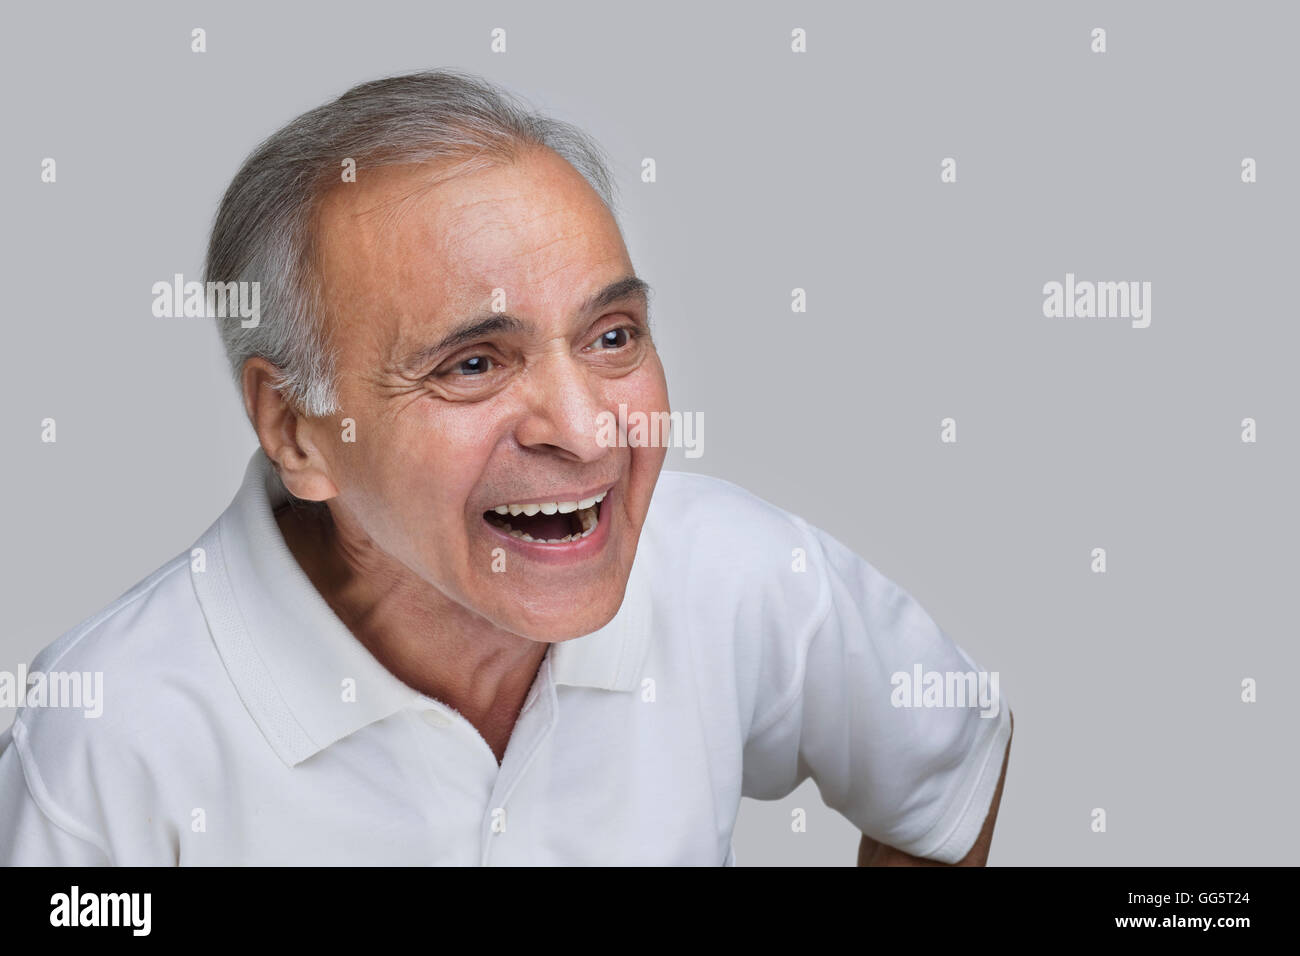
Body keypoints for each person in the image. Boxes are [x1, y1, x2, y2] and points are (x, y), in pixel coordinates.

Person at [0, 70, 1011, 865]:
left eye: (613, 336)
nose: (585, 430)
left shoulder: (736, 571)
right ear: (297, 430)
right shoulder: (104, 730)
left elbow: (947, 759)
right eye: (474, 362)